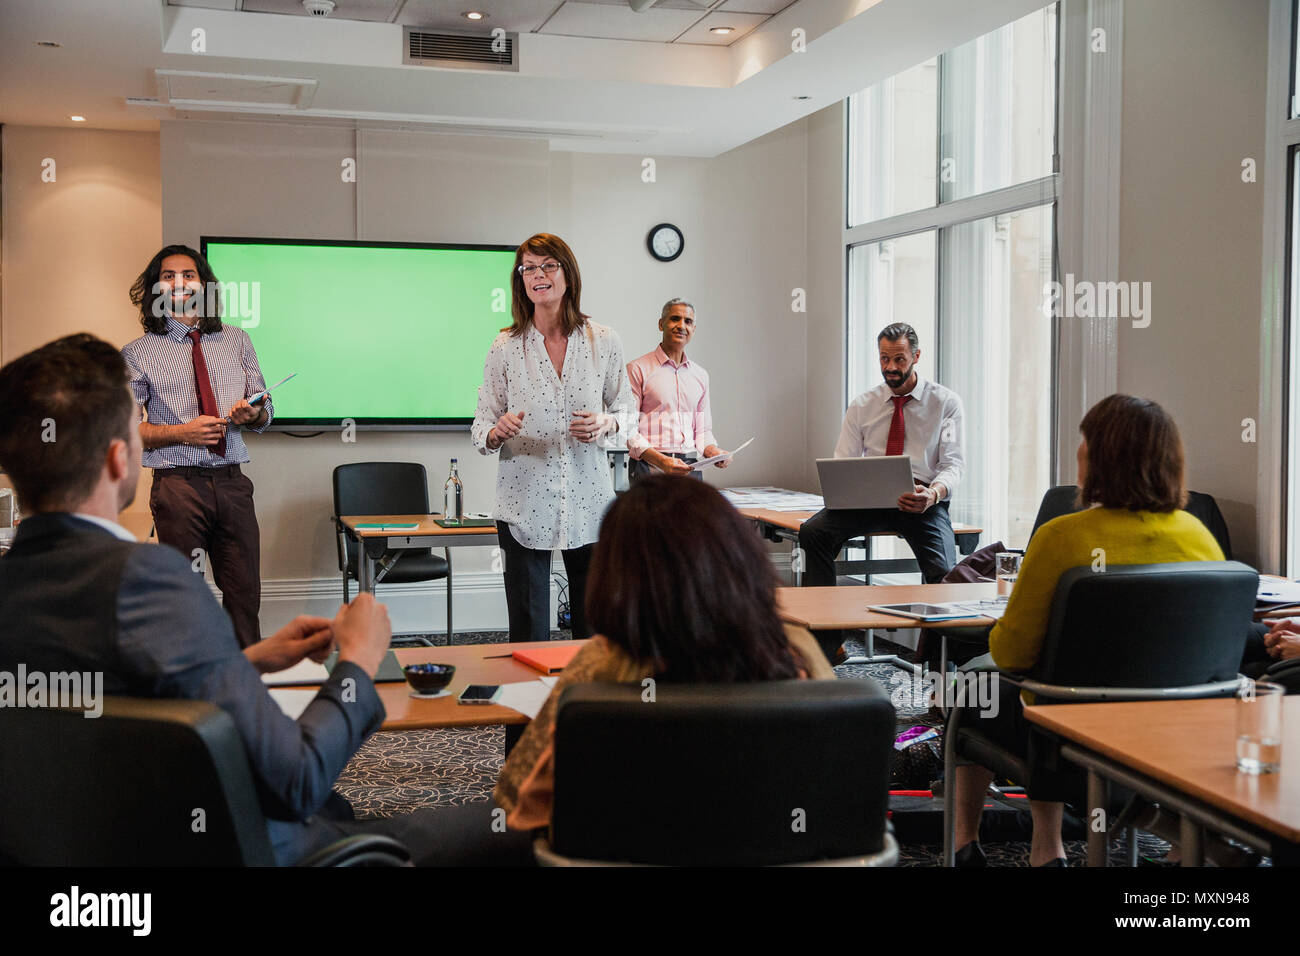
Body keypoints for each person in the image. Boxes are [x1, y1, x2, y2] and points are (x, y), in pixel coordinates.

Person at [0, 335, 534, 866]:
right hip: (253, 848)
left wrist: (248, 660)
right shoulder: (148, 580)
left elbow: (128, 697)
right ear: (120, 459)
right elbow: (297, 779)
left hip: (109, 852)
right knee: (524, 825)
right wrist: (357, 662)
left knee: (341, 805)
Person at [952, 394, 1224, 868]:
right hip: (1171, 738)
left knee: (974, 685)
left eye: (1085, 440)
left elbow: (1012, 653)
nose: (1078, 450)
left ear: (1102, 457)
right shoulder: (1199, 539)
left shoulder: (1062, 537)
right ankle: (1181, 845)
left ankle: (987, 844)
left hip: (1066, 737)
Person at [493, 475, 836, 829]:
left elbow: (516, 799)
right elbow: (832, 773)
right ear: (740, 556)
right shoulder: (799, 651)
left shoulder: (600, 667)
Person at [471, 233, 636, 642]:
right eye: (528, 268)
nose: (537, 275)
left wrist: (605, 424)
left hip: (590, 502)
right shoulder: (504, 346)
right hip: (522, 503)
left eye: (547, 265)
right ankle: (529, 702)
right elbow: (480, 427)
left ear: (567, 273)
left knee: (594, 627)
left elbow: (628, 413)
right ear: (520, 280)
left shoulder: (604, 341)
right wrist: (497, 432)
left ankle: (590, 703)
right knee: (528, 630)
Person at [122, 244, 271, 649]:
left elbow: (265, 408)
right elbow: (128, 430)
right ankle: (188, 695)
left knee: (244, 597)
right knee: (183, 599)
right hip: (177, 488)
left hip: (233, 485)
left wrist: (250, 415)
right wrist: (181, 433)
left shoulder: (237, 340)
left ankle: (247, 692)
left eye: (187, 274)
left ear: (203, 284)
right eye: (167, 276)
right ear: (155, 288)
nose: (178, 282)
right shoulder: (136, 354)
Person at [798, 322, 964, 658]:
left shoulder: (945, 403)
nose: (890, 367)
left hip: (922, 500)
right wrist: (847, 489)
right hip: (867, 499)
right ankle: (829, 645)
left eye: (899, 359)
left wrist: (932, 495)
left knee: (944, 572)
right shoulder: (863, 405)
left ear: (916, 356)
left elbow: (953, 465)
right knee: (813, 533)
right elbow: (843, 461)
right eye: (884, 359)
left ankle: (937, 668)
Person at [624, 298, 730, 481]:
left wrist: (713, 451)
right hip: (649, 465)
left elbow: (703, 430)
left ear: (693, 330)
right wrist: (661, 461)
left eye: (688, 321)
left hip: (690, 466)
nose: (681, 326)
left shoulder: (701, 375)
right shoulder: (637, 369)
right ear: (661, 324)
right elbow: (627, 428)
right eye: (675, 319)